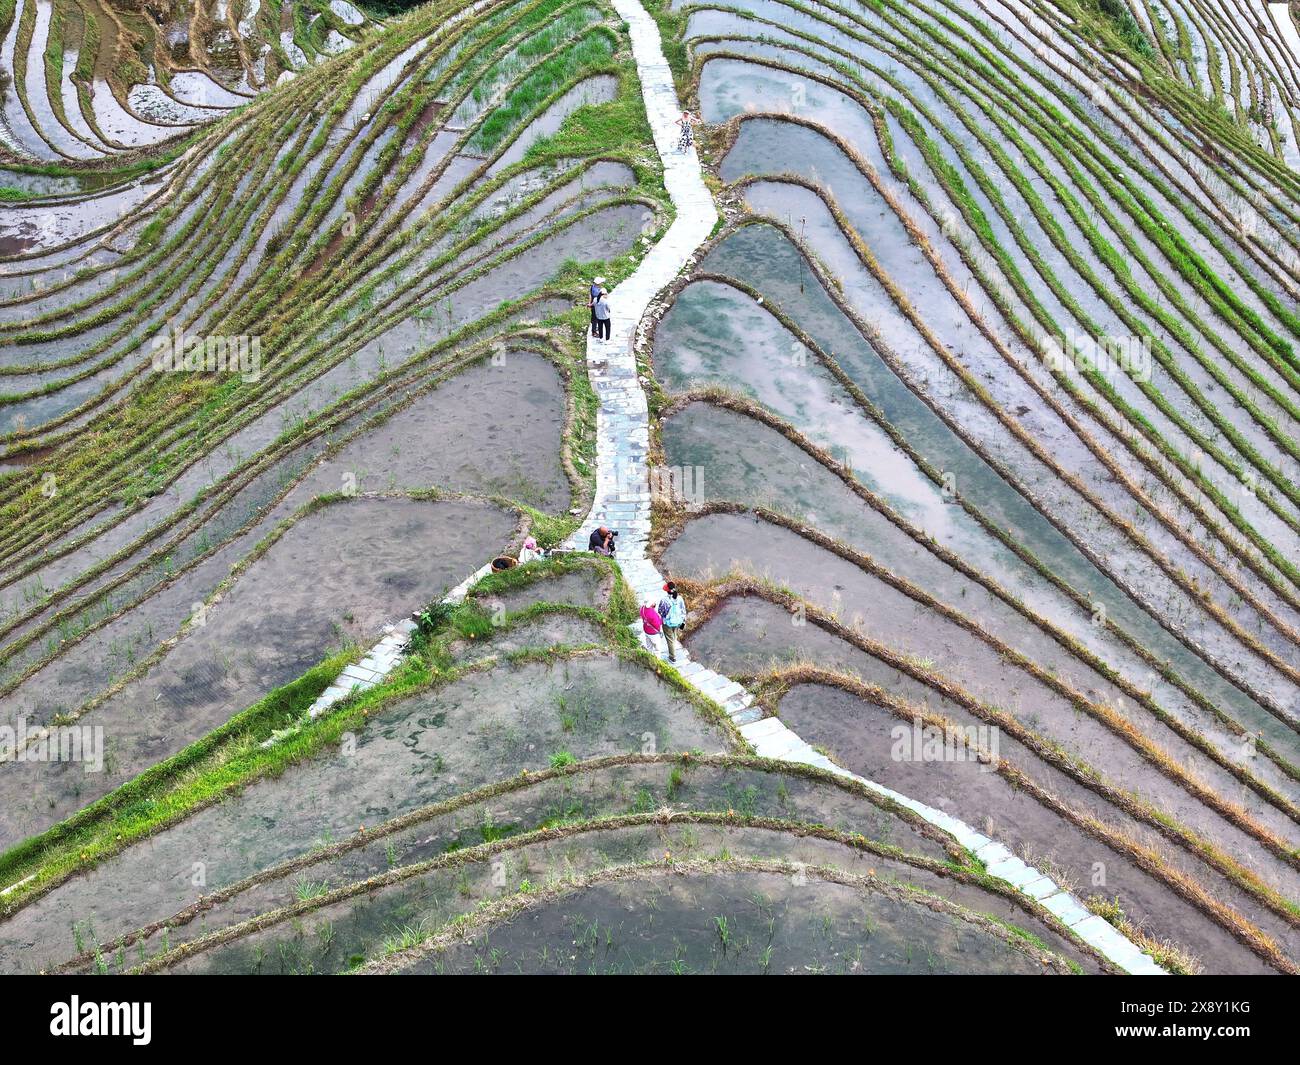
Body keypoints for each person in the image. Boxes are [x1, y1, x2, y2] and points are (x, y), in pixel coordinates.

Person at [657, 581, 687, 662]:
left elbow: (660, 612)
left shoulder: (664, 600)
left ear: (667, 590)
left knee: (670, 639)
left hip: (667, 623)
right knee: (674, 636)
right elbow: (683, 610)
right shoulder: (680, 598)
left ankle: (672, 657)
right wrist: (683, 622)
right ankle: (674, 648)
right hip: (678, 622)